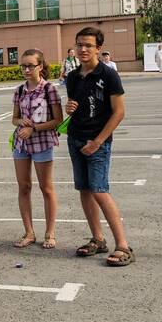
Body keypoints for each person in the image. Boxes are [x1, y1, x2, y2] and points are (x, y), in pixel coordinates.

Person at [64, 26, 134, 266]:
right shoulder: (72, 76)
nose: (82, 49)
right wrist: (69, 108)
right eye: (79, 44)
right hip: (75, 138)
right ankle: (97, 239)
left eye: (88, 45)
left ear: (98, 48)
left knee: (100, 191)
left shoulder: (108, 74)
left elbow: (119, 112)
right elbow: (76, 105)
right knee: (84, 190)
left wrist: (98, 141)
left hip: (97, 141)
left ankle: (123, 246)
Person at [10, 49, 62, 249]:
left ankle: (50, 232)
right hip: (21, 143)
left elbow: (57, 120)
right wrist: (20, 122)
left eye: (31, 65)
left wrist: (34, 128)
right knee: (24, 187)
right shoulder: (19, 91)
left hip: (42, 142)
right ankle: (29, 232)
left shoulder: (49, 89)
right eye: (23, 65)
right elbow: (14, 118)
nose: (26, 69)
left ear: (40, 66)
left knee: (46, 187)